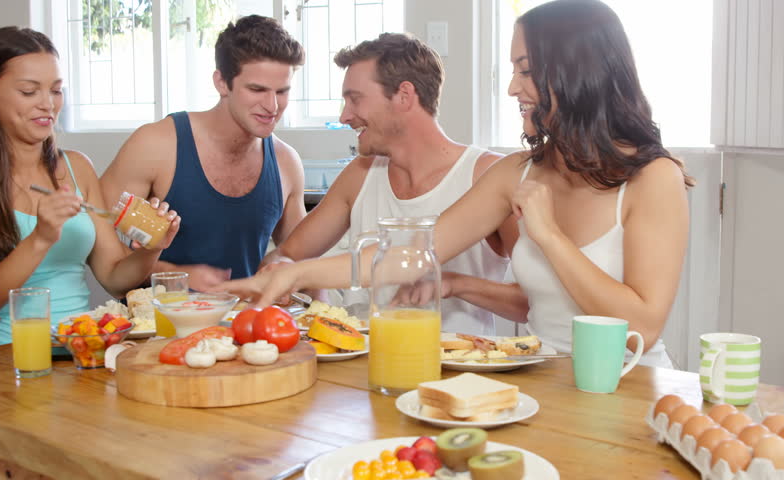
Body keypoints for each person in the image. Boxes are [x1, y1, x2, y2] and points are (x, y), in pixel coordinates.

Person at [217, 0, 692, 368]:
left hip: (630, 385)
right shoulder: (518, 172)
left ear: (577, 72)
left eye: (525, 69)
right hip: (544, 380)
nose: (512, 87)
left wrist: (548, 235)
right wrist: (294, 273)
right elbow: (414, 253)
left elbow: (641, 327)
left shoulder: (653, 179)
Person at [261, 33, 523, 335]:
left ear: (404, 95)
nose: (344, 116)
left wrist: (455, 285)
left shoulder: (486, 175)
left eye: (355, 99)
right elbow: (289, 253)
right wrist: (278, 268)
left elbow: (528, 303)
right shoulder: (360, 174)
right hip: (362, 368)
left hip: (458, 374)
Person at [0, 27, 181, 346]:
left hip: (79, 353)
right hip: (5, 361)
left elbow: (114, 279)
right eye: (29, 91)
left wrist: (153, 247)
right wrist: (39, 239)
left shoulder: (76, 168)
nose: (47, 104)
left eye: (56, 90)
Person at [100, 15, 307, 291]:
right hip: (155, 328)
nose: (272, 105)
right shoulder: (155, 144)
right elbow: (97, 239)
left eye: (282, 91)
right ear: (221, 82)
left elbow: (302, 256)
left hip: (243, 329)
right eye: (257, 89)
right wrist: (173, 274)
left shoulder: (286, 163)